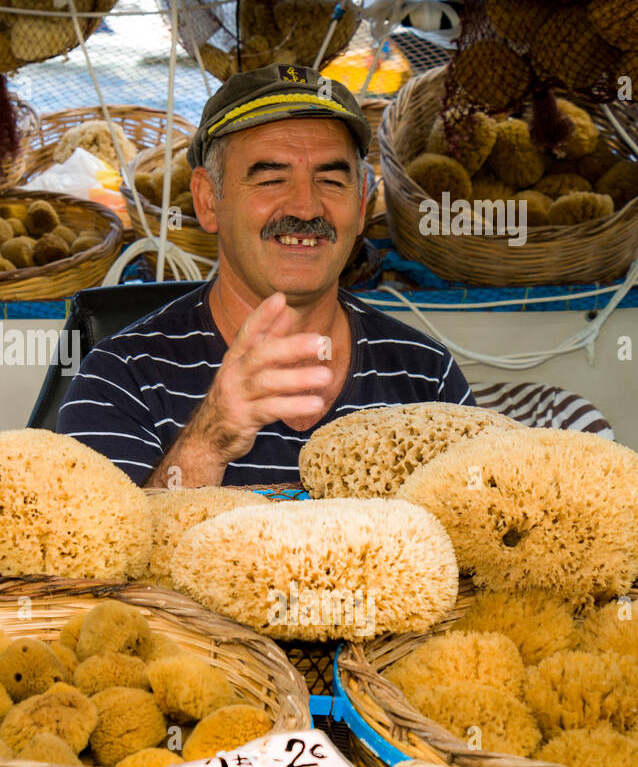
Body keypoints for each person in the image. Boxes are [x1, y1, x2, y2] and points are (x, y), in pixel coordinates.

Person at [57, 63, 475, 488]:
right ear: (206, 200)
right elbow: (112, 552)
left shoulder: (425, 374)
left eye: (331, 180)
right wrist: (210, 439)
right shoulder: (119, 378)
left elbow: (476, 537)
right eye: (272, 179)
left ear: (363, 202)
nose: (305, 208)